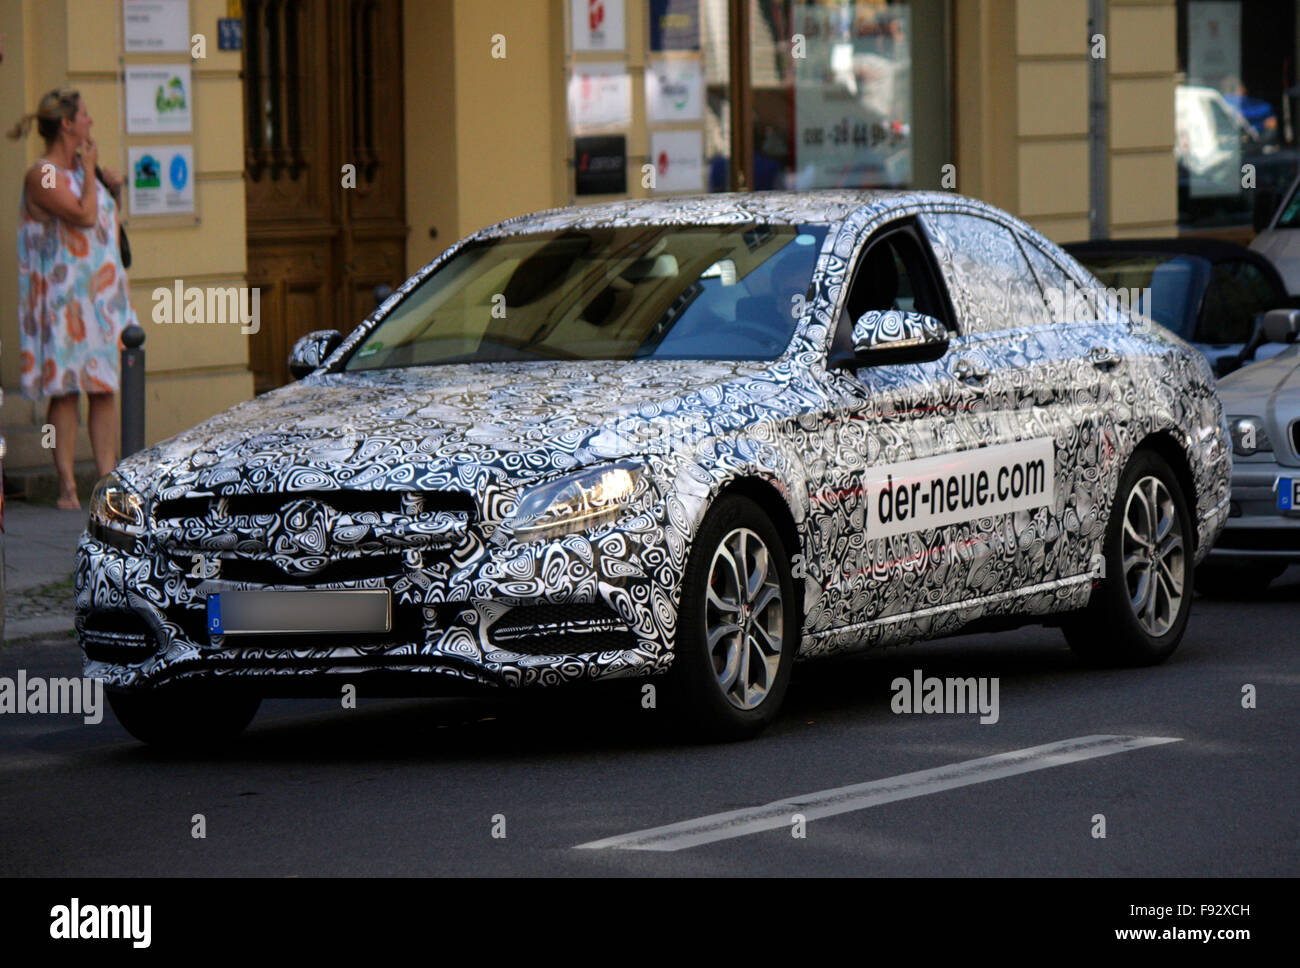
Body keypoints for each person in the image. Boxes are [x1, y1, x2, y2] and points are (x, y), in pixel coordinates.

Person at [8, 88, 136, 509]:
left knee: (103, 389)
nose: (90, 123)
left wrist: (109, 189)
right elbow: (80, 216)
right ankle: (66, 487)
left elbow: (103, 227)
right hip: (63, 304)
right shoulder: (41, 174)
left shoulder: (84, 171)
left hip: (99, 301)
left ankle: (105, 483)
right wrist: (93, 171)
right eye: (84, 116)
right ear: (67, 124)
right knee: (64, 392)